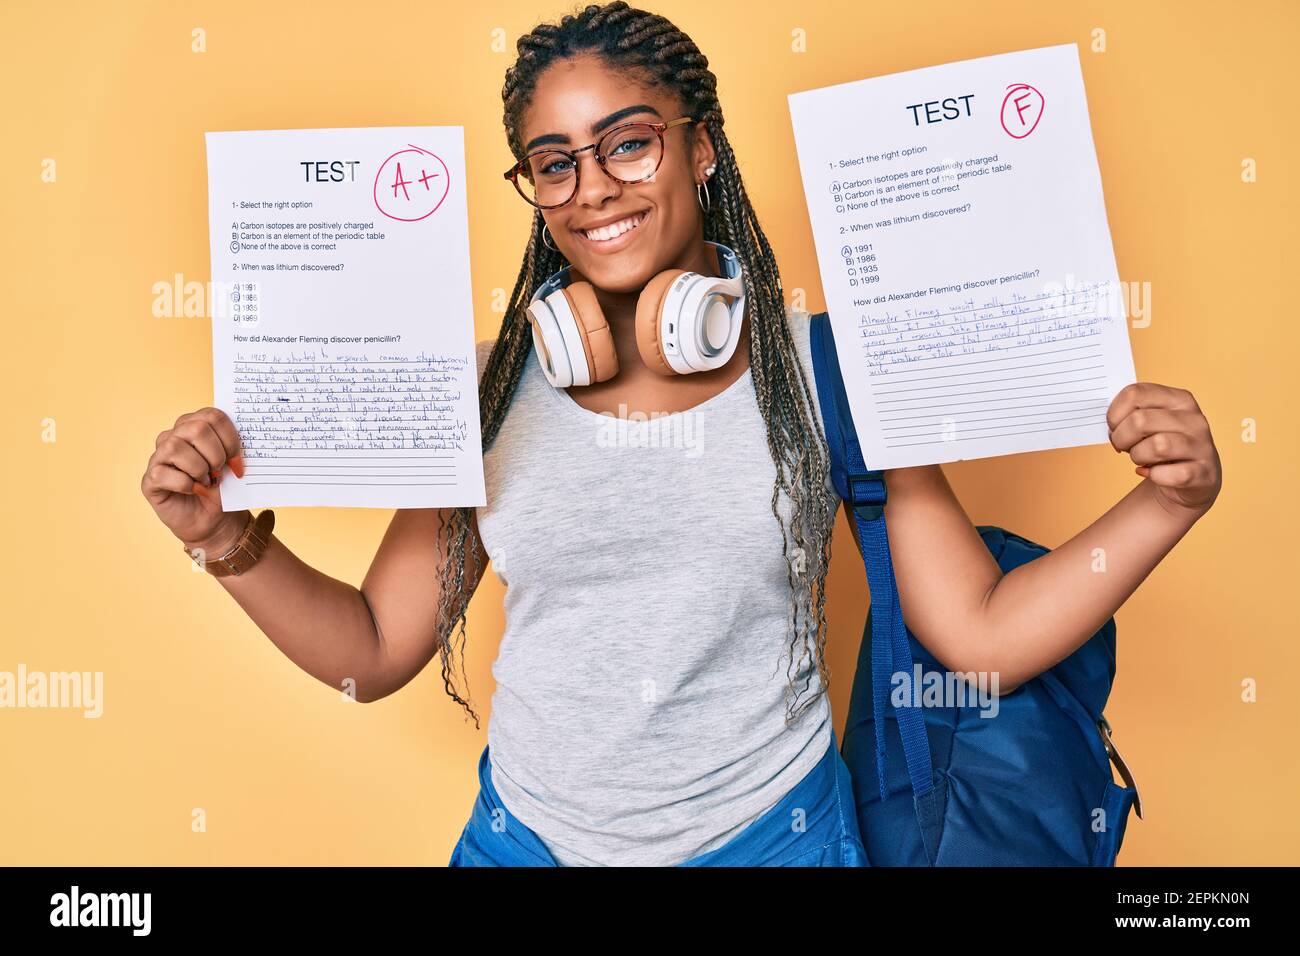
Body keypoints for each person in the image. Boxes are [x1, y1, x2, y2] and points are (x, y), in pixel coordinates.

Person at [141, 1, 1222, 867]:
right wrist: (222, 538)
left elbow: (979, 636)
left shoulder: (824, 373)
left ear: (700, 148)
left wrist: (1165, 501)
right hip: (526, 843)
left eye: (627, 143)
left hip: (772, 838)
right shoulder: (483, 391)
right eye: (553, 161)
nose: (592, 187)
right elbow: (373, 650)